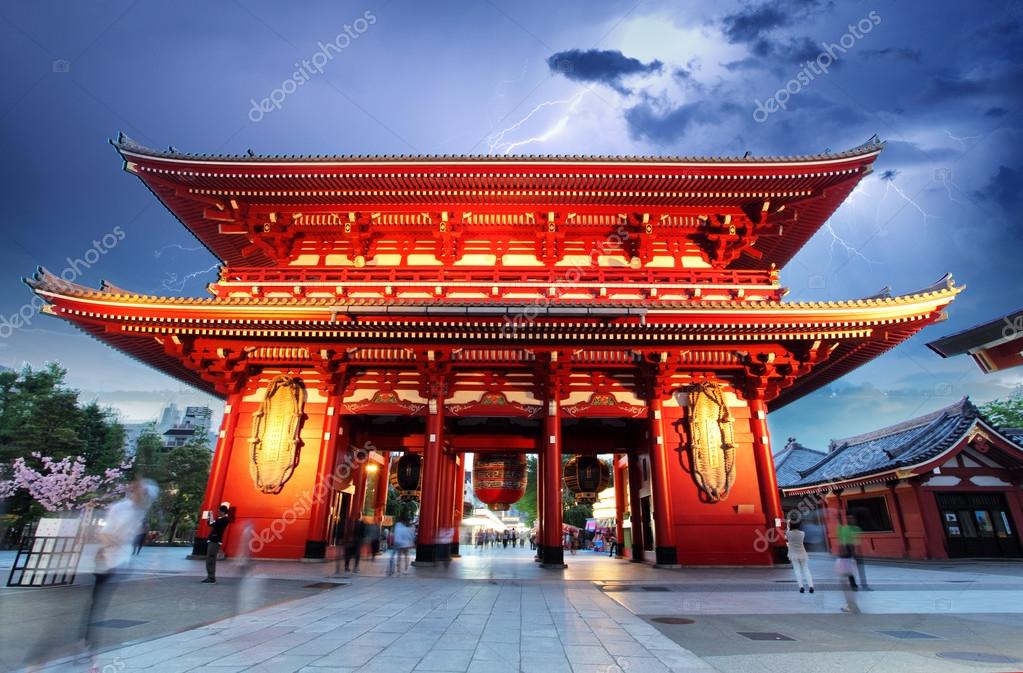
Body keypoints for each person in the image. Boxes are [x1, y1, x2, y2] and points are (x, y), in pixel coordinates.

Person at [85, 479, 159, 649]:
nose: (145, 499)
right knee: (97, 600)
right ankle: (89, 638)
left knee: (100, 599)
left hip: (122, 560)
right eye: (142, 494)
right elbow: (105, 533)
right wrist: (114, 540)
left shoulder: (140, 511)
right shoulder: (121, 508)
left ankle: (89, 638)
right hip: (108, 559)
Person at [837, 515, 867, 590]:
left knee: (860, 568)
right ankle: (853, 585)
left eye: (853, 518)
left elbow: (859, 539)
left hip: (856, 548)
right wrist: (845, 550)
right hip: (848, 549)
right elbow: (843, 540)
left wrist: (859, 549)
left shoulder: (857, 528)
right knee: (850, 569)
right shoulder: (845, 529)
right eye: (849, 519)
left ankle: (864, 585)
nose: (851, 520)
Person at [203, 504, 231, 583]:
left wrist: (211, 517)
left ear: (223, 512)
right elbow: (210, 524)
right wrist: (209, 517)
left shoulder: (225, 519)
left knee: (211, 559)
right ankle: (210, 576)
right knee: (209, 559)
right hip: (212, 540)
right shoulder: (220, 519)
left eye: (219, 511)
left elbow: (215, 524)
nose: (218, 512)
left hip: (215, 541)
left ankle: (211, 578)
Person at [785, 519, 814, 594]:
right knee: (806, 570)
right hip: (802, 553)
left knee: (797, 570)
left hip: (793, 554)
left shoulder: (788, 533)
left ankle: (801, 587)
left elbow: (787, 533)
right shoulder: (802, 533)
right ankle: (811, 586)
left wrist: (788, 524)